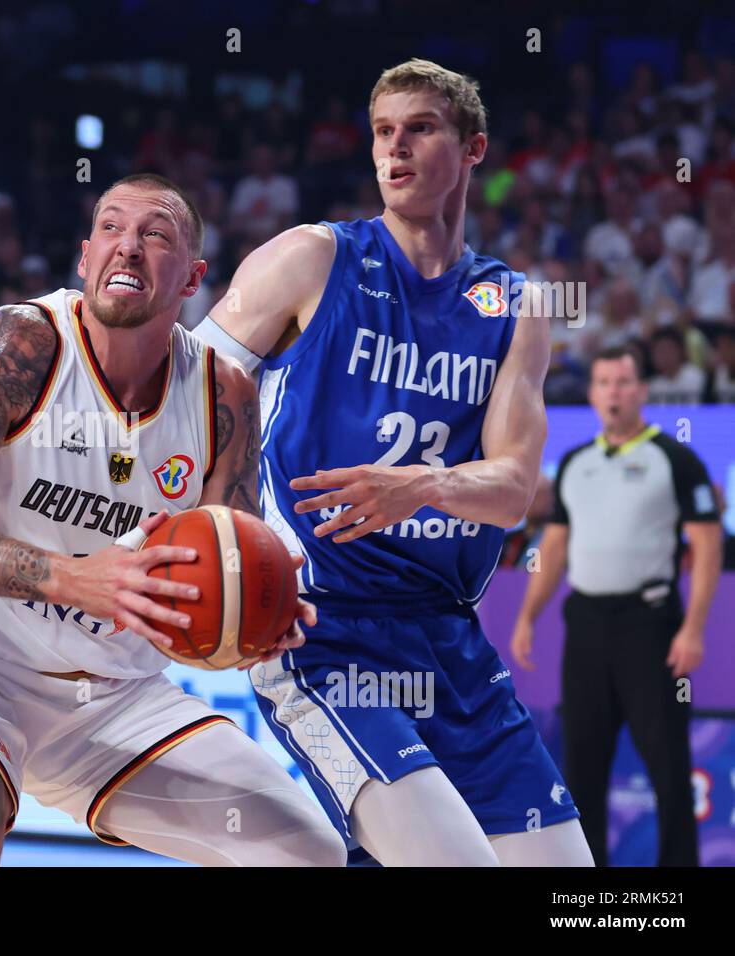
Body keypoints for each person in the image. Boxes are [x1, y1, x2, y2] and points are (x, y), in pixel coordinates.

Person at [0, 174, 346, 868]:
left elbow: (229, 567)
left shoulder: (220, 396)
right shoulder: (20, 347)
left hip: (119, 700)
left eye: (156, 235)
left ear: (192, 278)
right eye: (111, 229)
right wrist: (68, 578)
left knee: (309, 854)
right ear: (86, 258)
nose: (129, 247)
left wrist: (262, 619)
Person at [194, 59, 594, 866]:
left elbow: (515, 492)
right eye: (383, 132)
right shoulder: (311, 258)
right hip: (317, 630)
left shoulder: (516, 307)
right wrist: (212, 526)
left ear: (473, 147)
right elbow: (191, 394)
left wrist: (421, 486)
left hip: (449, 638)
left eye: (420, 128)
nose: (395, 148)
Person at [510, 348, 721, 866]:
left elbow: (709, 546)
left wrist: (693, 630)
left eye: (623, 382)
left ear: (641, 391)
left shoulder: (676, 458)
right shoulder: (577, 463)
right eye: (603, 382)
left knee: (670, 769)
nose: (613, 392)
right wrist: (528, 615)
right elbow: (554, 548)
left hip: (651, 625)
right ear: (592, 393)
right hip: (586, 626)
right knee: (582, 771)